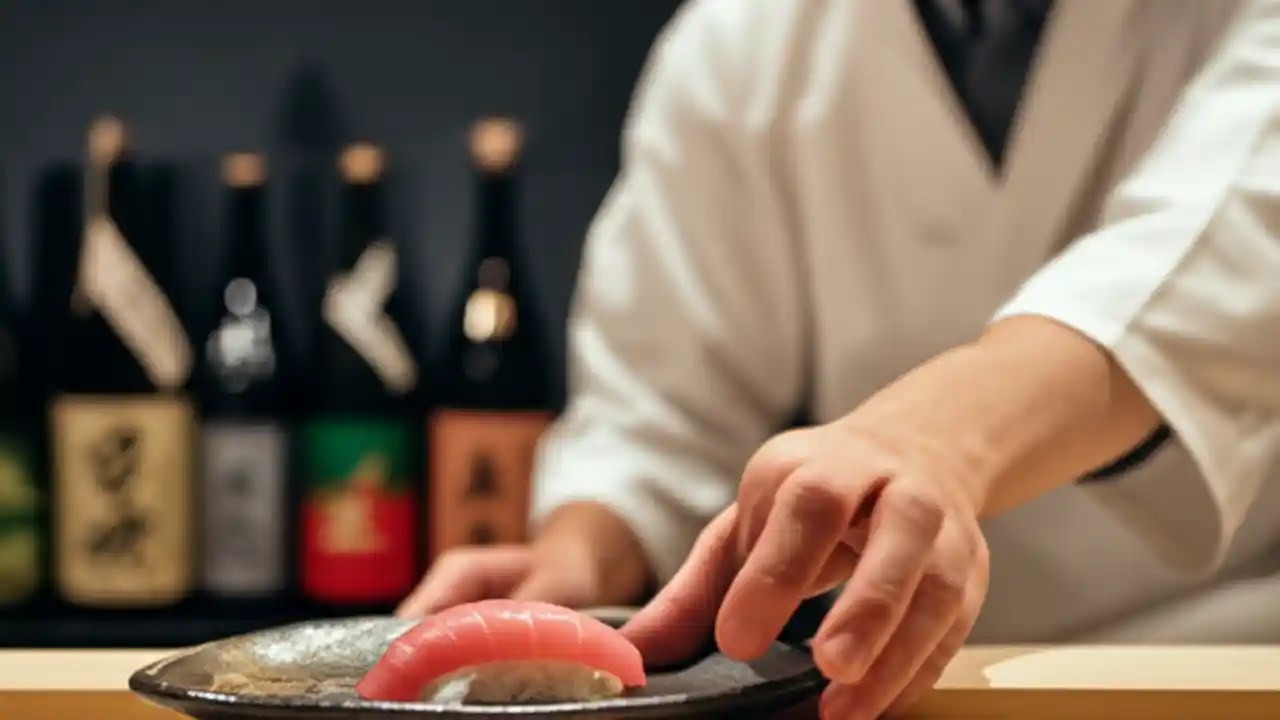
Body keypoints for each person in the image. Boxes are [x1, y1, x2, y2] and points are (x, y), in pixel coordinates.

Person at [402, 1, 1280, 717]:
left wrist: (929, 446)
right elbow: (660, 415)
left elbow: (1206, 271)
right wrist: (578, 564)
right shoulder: (743, 39)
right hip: (871, 679)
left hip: (1209, 666)